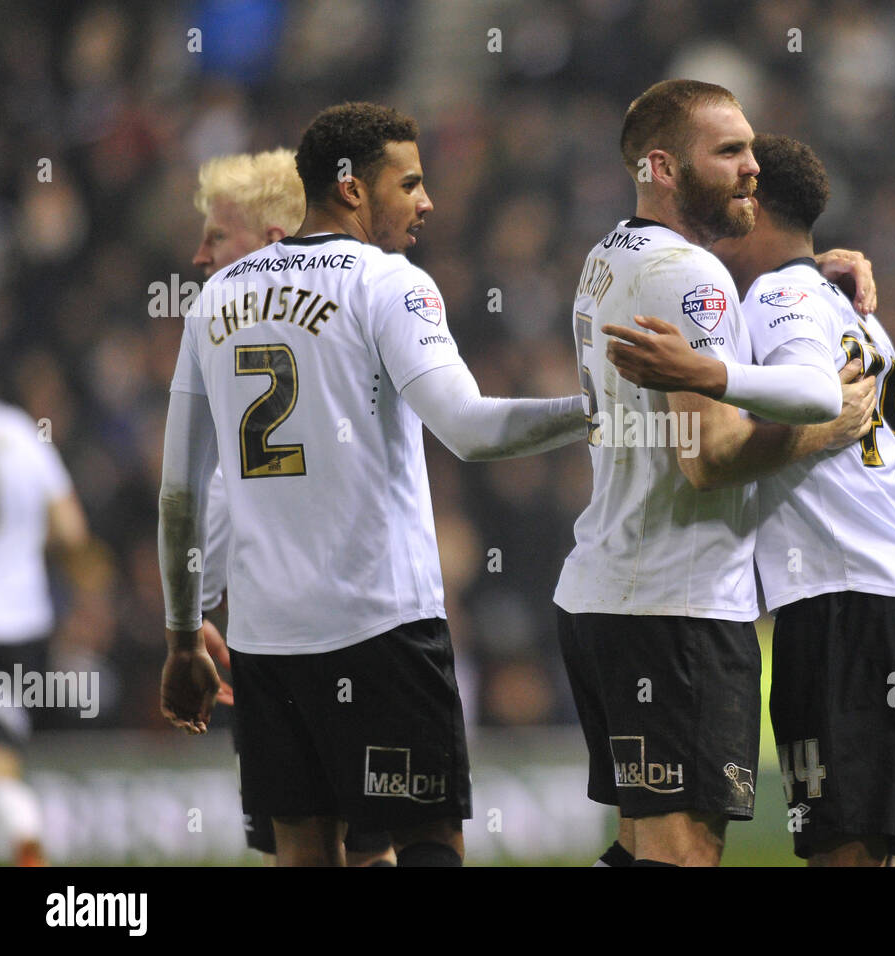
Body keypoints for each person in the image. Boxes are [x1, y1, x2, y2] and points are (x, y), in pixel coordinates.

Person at [158, 102, 586, 866]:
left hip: (266, 641)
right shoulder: (390, 282)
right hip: (381, 625)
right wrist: (601, 409)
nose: (427, 202)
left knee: (306, 854)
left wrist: (183, 636)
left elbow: (181, 492)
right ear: (352, 188)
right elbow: (472, 428)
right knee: (425, 840)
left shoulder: (213, 303)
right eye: (411, 183)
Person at [606, 134, 895, 866]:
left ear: (758, 206)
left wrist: (709, 374)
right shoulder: (861, 317)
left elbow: (810, 389)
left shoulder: (778, 295)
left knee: (841, 853)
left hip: (847, 608)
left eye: (737, 200)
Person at [554, 79, 879, 867]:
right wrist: (831, 429)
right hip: (678, 604)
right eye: (729, 151)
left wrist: (804, 265)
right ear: (662, 167)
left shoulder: (612, 254)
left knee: (640, 849)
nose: (753, 168)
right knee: (682, 856)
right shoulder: (694, 280)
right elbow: (709, 460)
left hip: (609, 592)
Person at [189, 147, 396, 866]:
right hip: (359, 622)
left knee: (308, 848)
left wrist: (190, 615)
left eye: (217, 236)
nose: (199, 255)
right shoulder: (350, 321)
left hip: (286, 631)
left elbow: (210, 489)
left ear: (274, 240)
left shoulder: (229, 338)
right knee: (369, 845)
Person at [0, 400, 92, 866]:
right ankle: (26, 834)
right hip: (19, 625)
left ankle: (26, 835)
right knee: (2, 756)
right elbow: (72, 530)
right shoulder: (20, 434)